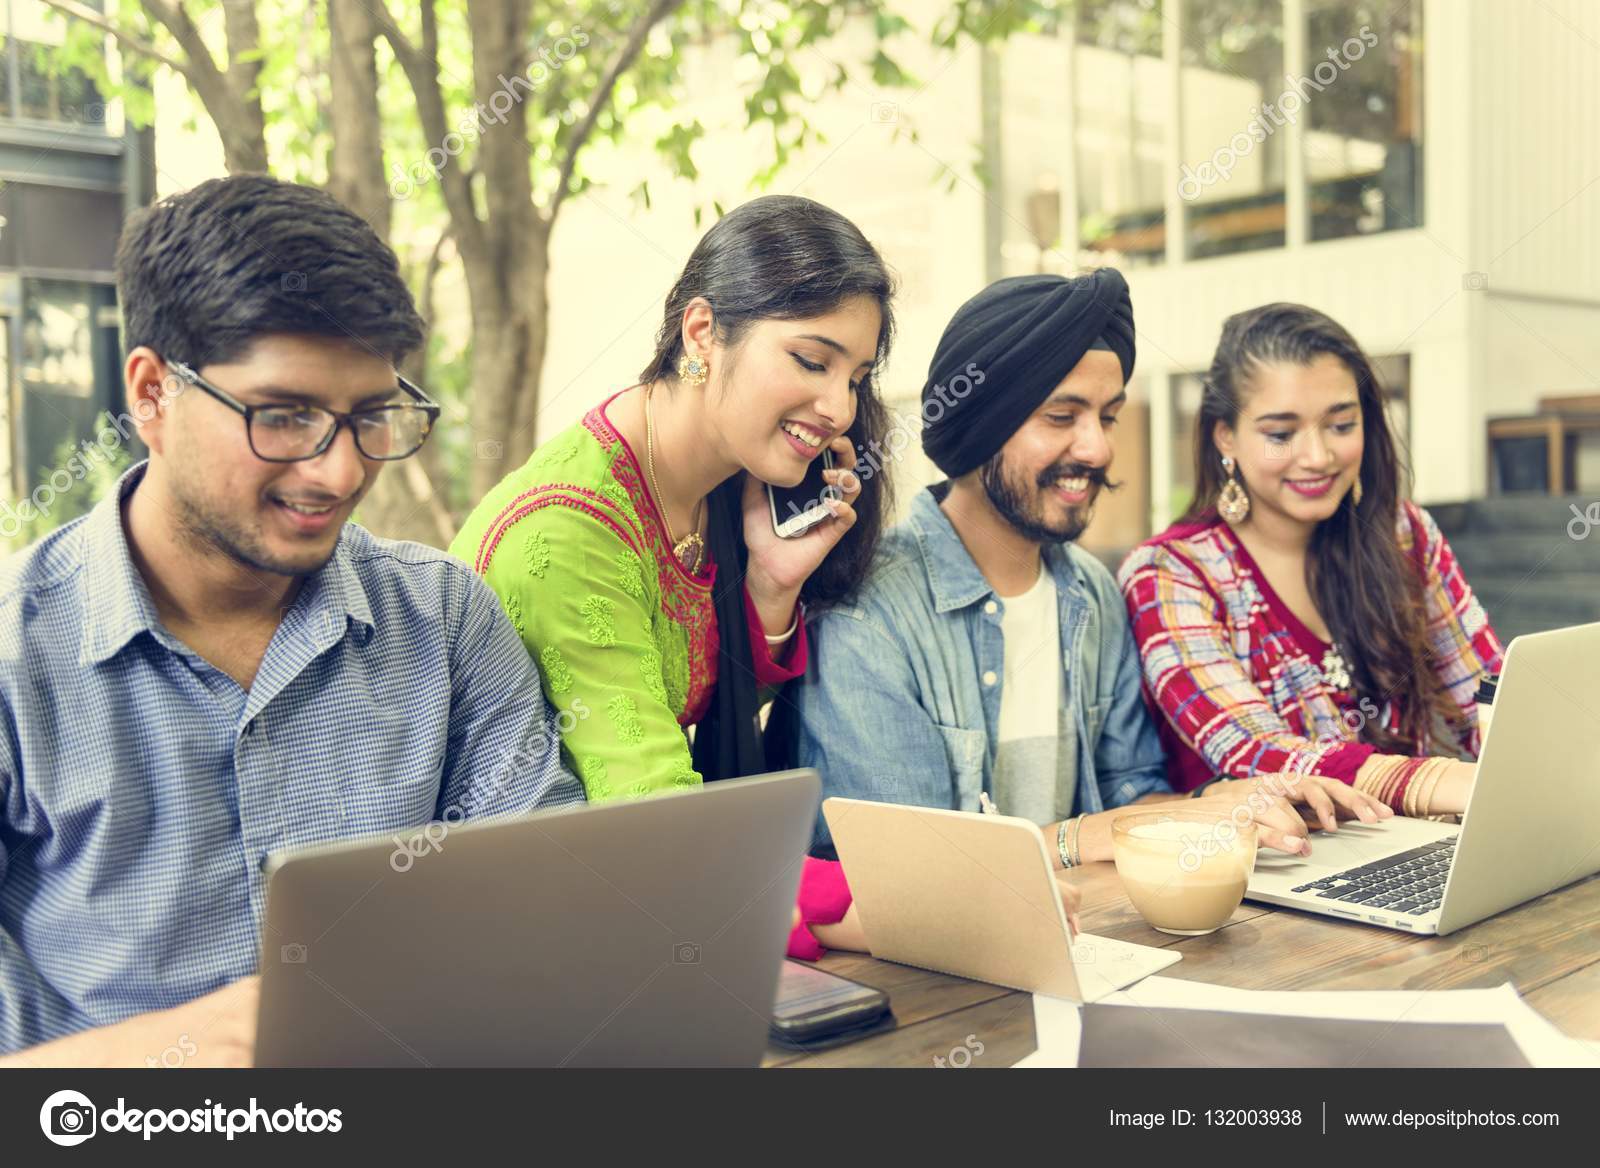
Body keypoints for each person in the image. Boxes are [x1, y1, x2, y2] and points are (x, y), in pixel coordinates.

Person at [0, 175, 582, 1061]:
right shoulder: (18, 657)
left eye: (370, 418)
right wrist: (176, 1049)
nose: (339, 473)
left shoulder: (446, 620)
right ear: (152, 393)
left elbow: (552, 916)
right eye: (284, 417)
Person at [453, 196, 1086, 958]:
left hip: (646, 912)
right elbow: (659, 826)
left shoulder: (722, 483)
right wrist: (932, 904)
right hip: (533, 937)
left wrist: (771, 590)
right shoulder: (568, 530)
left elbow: (686, 715)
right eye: (811, 361)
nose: (838, 408)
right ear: (702, 332)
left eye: (855, 376)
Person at [789, 272, 1386, 871]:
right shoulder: (867, 612)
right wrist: (1094, 835)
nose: (1097, 448)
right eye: (1061, 416)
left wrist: (1227, 805)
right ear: (980, 424)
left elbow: (1131, 793)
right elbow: (911, 869)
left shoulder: (1092, 591)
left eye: (1107, 417)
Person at [1118, 303, 1503, 815]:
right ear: (1225, 436)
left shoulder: (1404, 534)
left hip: (1409, 850)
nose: (1318, 456)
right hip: (1259, 874)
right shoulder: (1170, 575)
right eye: (1281, 434)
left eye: (1341, 425)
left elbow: (1487, 700)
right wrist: (1444, 782)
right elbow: (1256, 749)